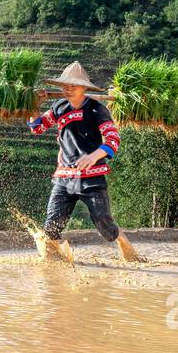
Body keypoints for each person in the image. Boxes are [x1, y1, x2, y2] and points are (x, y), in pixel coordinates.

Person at [26, 61, 142, 264]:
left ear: (84, 88)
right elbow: (37, 127)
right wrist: (35, 106)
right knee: (51, 226)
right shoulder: (59, 107)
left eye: (73, 86)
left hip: (92, 178)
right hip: (64, 178)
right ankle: (56, 262)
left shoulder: (97, 110)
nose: (68, 90)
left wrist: (93, 156)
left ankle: (122, 240)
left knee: (104, 225)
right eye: (65, 86)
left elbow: (113, 141)